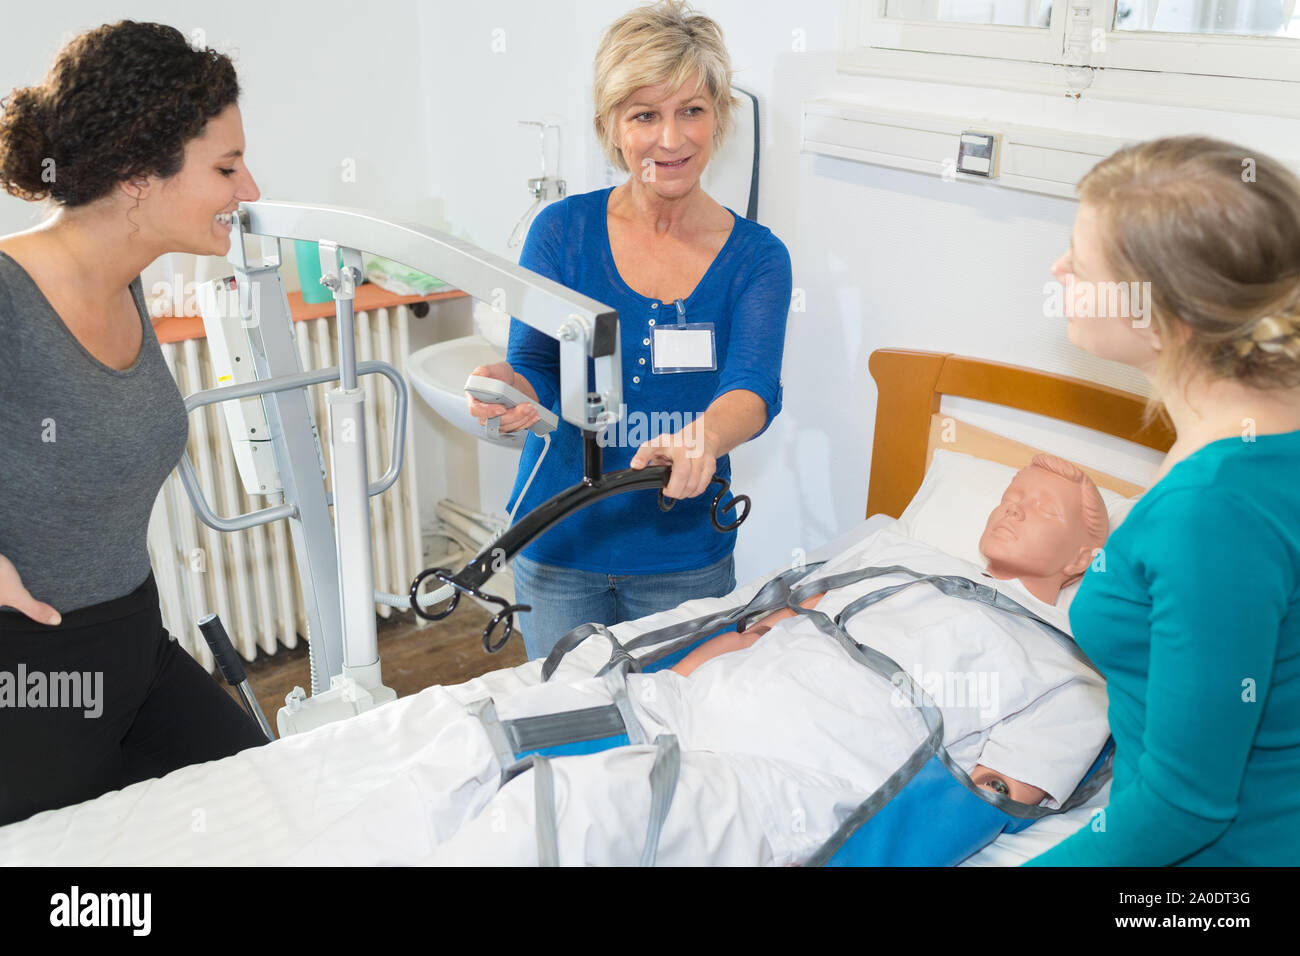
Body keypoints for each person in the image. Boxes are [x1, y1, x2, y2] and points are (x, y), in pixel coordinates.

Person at [0, 456, 1112, 865]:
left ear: (1089, 550)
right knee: (470, 741)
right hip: (689, 695)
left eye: (1044, 496)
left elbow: (990, 803)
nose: (1011, 494)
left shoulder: (1067, 676)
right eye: (1008, 482)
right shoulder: (888, 556)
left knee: (581, 809)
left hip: (789, 768)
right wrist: (696, 652)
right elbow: (765, 604)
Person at [466, 0, 792, 660]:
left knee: (678, 731)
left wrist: (704, 436)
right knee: (570, 728)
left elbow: (752, 388)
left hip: (682, 555)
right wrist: (510, 384)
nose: (670, 140)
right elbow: (535, 360)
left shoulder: (758, 257)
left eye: (691, 111)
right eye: (645, 114)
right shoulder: (561, 231)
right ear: (610, 127)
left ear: (720, 118)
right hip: (560, 540)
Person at [0, 21, 267, 827]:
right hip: (31, 670)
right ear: (136, 176)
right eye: (225, 167)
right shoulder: (11, 293)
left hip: (132, 641)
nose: (248, 188)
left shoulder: (126, 283)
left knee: (265, 808)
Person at [1026, 136, 1300, 866]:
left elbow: (1184, 808)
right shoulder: (1259, 433)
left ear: (1163, 318)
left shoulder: (1214, 510)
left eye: (1079, 267)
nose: (1058, 271)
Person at [671, 453, 1110, 806]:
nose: (1013, 508)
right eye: (1012, 496)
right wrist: (664, 694)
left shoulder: (1069, 670)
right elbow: (762, 633)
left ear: (1080, 561)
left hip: (814, 761)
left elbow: (984, 799)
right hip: (714, 700)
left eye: (1042, 510)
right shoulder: (897, 553)